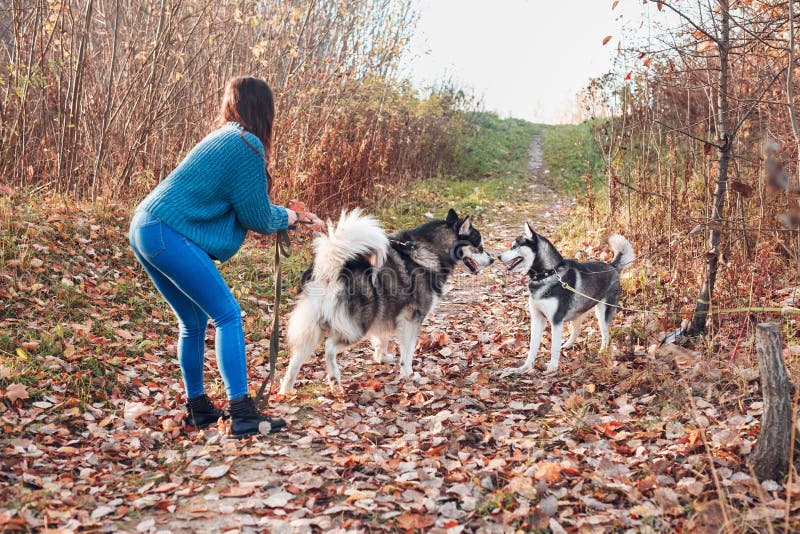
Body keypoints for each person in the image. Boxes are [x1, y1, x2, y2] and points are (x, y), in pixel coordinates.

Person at [128, 76, 324, 438]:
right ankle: (243, 412)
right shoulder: (246, 144)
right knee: (228, 314)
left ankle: (199, 408)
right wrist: (293, 217)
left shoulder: (224, 138)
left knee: (193, 320)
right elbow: (258, 217)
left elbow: (249, 206)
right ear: (264, 111)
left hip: (146, 226)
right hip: (166, 230)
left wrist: (291, 216)